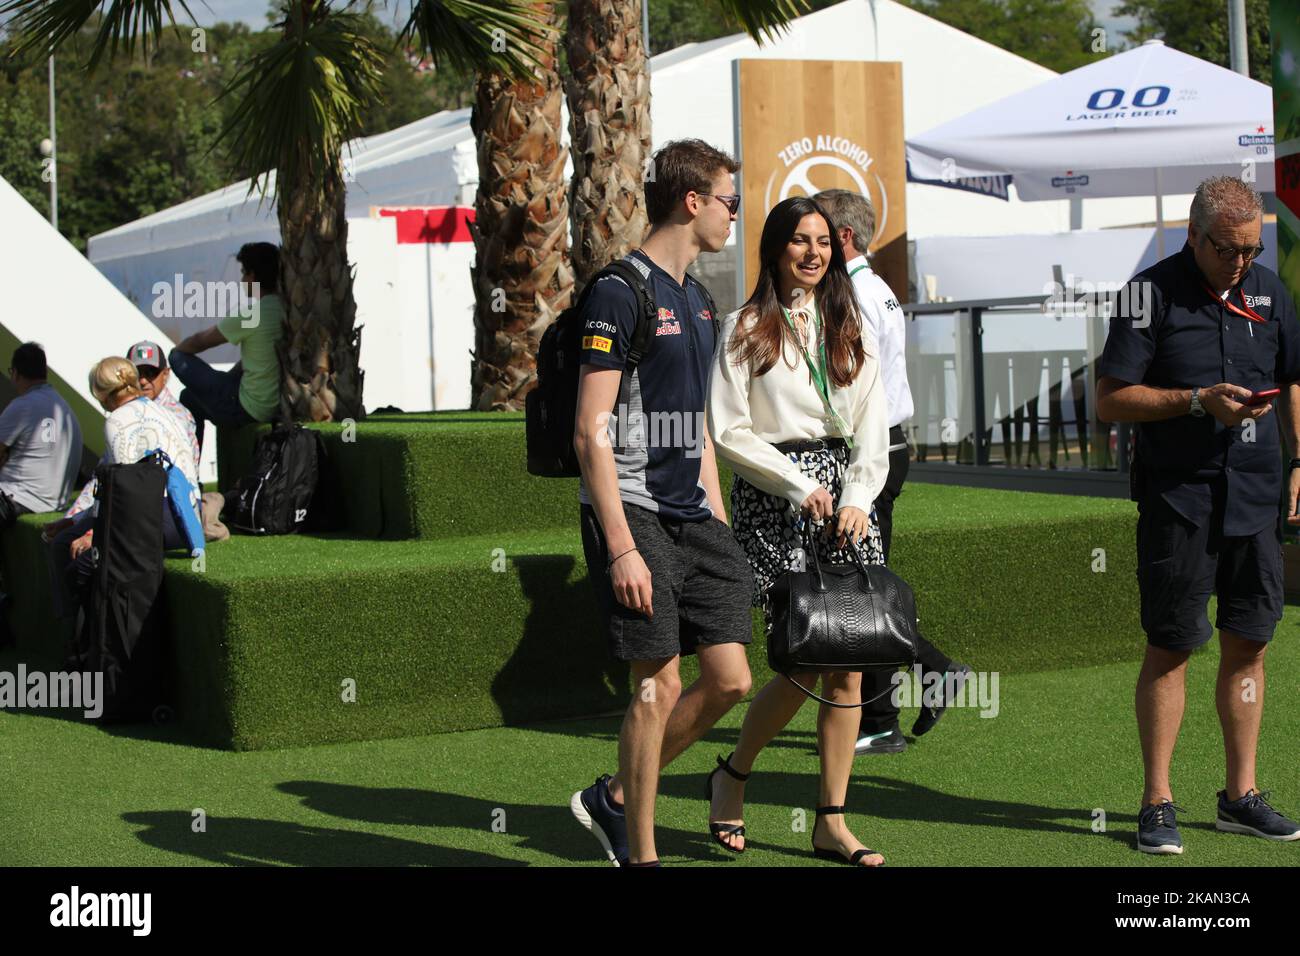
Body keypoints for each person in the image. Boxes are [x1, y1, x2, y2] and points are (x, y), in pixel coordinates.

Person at [1096, 176, 1300, 854]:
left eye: (1250, 250)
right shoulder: (1145, 294)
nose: (1241, 263)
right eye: (1227, 251)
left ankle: (1240, 795)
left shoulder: (1270, 291)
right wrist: (1193, 402)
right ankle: (1157, 800)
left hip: (1256, 493)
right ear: (1192, 234)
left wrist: (1299, 463)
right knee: (1172, 644)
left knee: (1250, 641)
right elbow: (1111, 399)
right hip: (1178, 498)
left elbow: (1293, 376)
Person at [569, 139, 755, 868]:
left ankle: (614, 796)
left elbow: (699, 426)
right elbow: (591, 431)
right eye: (729, 202)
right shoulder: (620, 290)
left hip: (694, 517)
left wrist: (719, 522)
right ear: (692, 201)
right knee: (659, 684)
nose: (734, 216)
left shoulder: (702, 300)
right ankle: (640, 854)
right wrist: (619, 545)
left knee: (731, 679)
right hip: (636, 511)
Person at [705, 195, 888, 866]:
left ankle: (831, 822)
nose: (813, 253)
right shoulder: (745, 326)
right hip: (777, 502)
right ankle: (734, 776)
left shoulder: (848, 321)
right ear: (776, 249)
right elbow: (728, 430)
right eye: (798, 241)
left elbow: (874, 422)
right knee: (804, 658)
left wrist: (860, 494)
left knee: (849, 663)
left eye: (822, 242)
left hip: (847, 506)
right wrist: (796, 483)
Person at [813, 188, 971, 756]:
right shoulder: (874, 288)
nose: (809, 247)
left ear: (844, 238)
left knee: (860, 584)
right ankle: (882, 714)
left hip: (868, 451)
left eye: (818, 235)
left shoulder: (852, 293)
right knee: (863, 578)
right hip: (884, 447)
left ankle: (903, 695)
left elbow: (848, 381)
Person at [44, 358, 199, 619]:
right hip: (186, 517)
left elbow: (127, 491)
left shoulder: (117, 420)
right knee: (63, 542)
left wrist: (95, 533)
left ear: (101, 394)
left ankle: (80, 640)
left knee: (74, 561)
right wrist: (75, 522)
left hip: (155, 518)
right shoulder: (167, 413)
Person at [57, 340, 199, 521]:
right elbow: (106, 475)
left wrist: (81, 523)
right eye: (139, 373)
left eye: (151, 373)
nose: (143, 380)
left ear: (166, 374)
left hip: (164, 512)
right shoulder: (136, 412)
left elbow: (124, 485)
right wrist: (74, 518)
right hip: (173, 512)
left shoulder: (175, 415)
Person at [169, 242, 285, 448]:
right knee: (189, 397)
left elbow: (199, 342)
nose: (242, 280)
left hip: (246, 408)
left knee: (176, 357)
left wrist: (178, 351)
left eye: (243, 273)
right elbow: (260, 359)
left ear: (252, 276)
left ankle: (190, 472)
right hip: (273, 405)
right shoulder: (286, 309)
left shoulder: (252, 315)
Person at [0, 342, 82, 524]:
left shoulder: (22, 406)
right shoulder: (67, 409)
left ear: (15, 373)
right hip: (54, 501)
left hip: (20, 497)